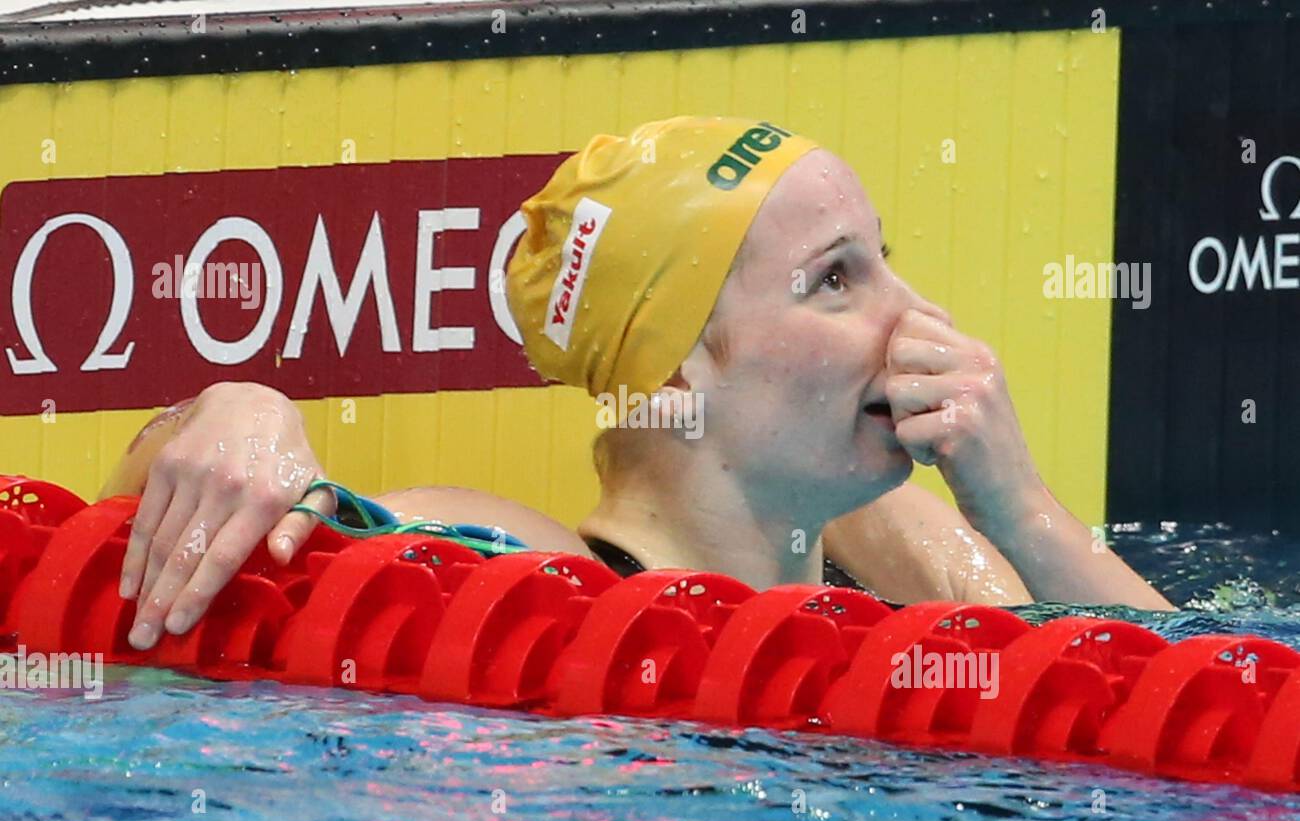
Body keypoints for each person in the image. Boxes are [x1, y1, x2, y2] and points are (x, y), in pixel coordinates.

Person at [104, 115, 1171, 652]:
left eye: (884, 261)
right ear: (672, 368)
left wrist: (1020, 508)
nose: (917, 320)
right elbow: (170, 546)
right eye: (836, 280)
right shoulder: (527, 568)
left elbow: (1207, 722)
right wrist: (233, 409)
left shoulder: (894, 548)